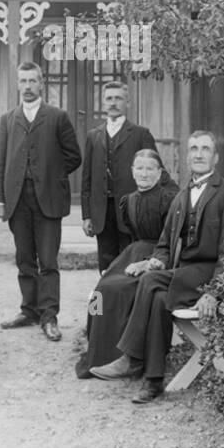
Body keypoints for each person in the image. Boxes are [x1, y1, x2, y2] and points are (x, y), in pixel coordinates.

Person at [90, 130, 224, 404]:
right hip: (183, 274)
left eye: (205, 149)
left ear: (216, 157)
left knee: (150, 282)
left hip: (209, 273)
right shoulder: (182, 195)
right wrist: (157, 260)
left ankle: (132, 358)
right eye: (194, 149)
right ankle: (153, 382)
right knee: (158, 296)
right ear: (187, 156)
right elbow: (164, 243)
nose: (199, 154)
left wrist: (214, 292)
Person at [0, 60, 83, 342]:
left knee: (47, 260)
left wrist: (49, 176)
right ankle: (29, 311)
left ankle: (49, 316)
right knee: (24, 258)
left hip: (48, 200)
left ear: (42, 83)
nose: (28, 87)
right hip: (18, 199)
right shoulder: (8, 119)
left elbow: (74, 156)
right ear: (17, 84)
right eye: (23, 81)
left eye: (33, 81)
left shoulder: (57, 116)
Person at [75, 150, 178, 379]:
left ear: (160, 172)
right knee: (100, 290)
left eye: (150, 168)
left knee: (117, 290)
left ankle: (122, 356)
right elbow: (132, 237)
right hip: (135, 253)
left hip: (160, 259)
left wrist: (146, 264)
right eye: (139, 168)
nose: (144, 173)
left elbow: (172, 243)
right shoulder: (128, 201)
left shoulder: (169, 199)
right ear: (132, 172)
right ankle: (95, 347)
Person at [80, 81, 158, 273]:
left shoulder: (140, 134)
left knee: (130, 260)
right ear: (103, 103)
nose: (113, 103)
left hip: (132, 211)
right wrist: (87, 215)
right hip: (102, 211)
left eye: (118, 98)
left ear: (127, 102)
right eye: (109, 98)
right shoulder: (93, 136)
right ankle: (106, 299)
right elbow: (87, 178)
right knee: (105, 263)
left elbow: (157, 173)